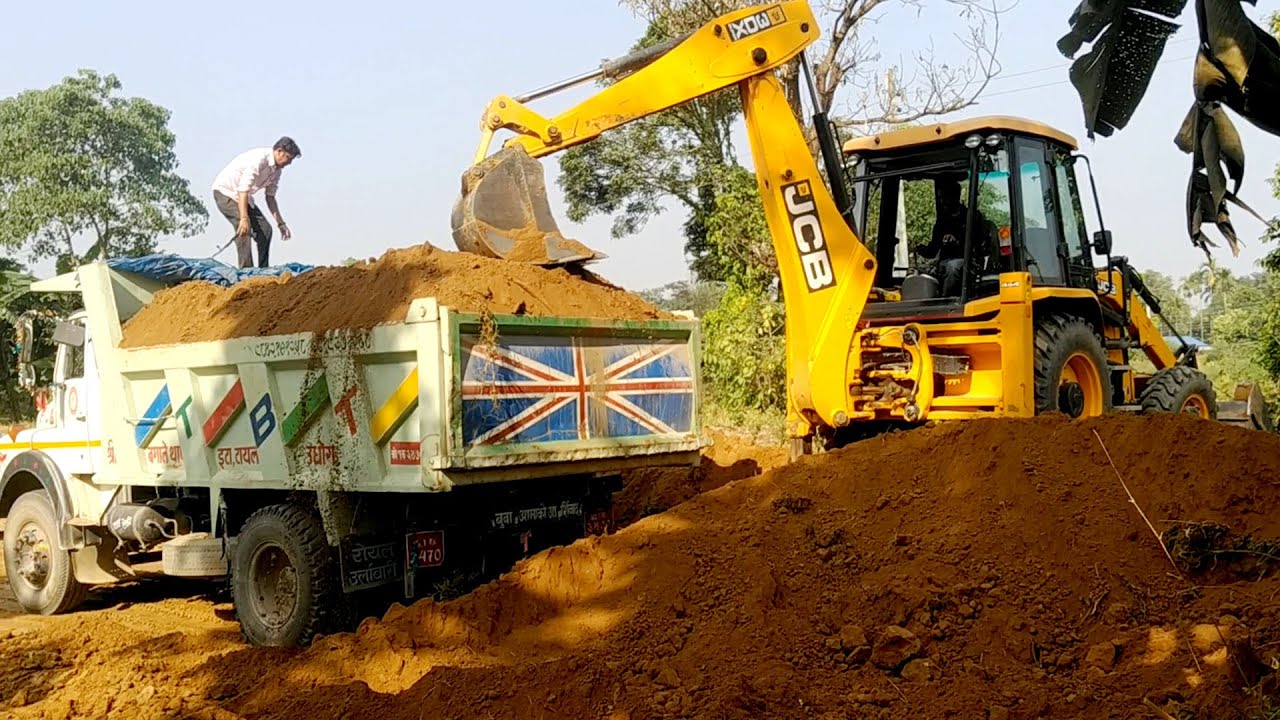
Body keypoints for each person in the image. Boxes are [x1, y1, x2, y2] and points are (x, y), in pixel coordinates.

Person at [212, 137, 301, 268]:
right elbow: (242, 189)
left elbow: (270, 197)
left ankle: (263, 270)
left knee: (266, 230)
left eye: (291, 159)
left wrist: (281, 223)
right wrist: (243, 218)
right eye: (288, 157)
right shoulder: (259, 160)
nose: (289, 162)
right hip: (226, 192)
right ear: (279, 151)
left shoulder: (277, 171)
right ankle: (246, 271)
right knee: (243, 228)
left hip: (244, 197)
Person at [916, 180, 991, 296]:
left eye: (945, 198)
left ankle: (945, 301)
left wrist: (957, 241)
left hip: (969, 261)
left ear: (955, 197)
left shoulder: (972, 217)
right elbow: (933, 249)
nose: (942, 202)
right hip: (944, 262)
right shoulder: (942, 221)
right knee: (922, 271)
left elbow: (980, 244)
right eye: (940, 198)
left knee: (952, 267)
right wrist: (920, 249)